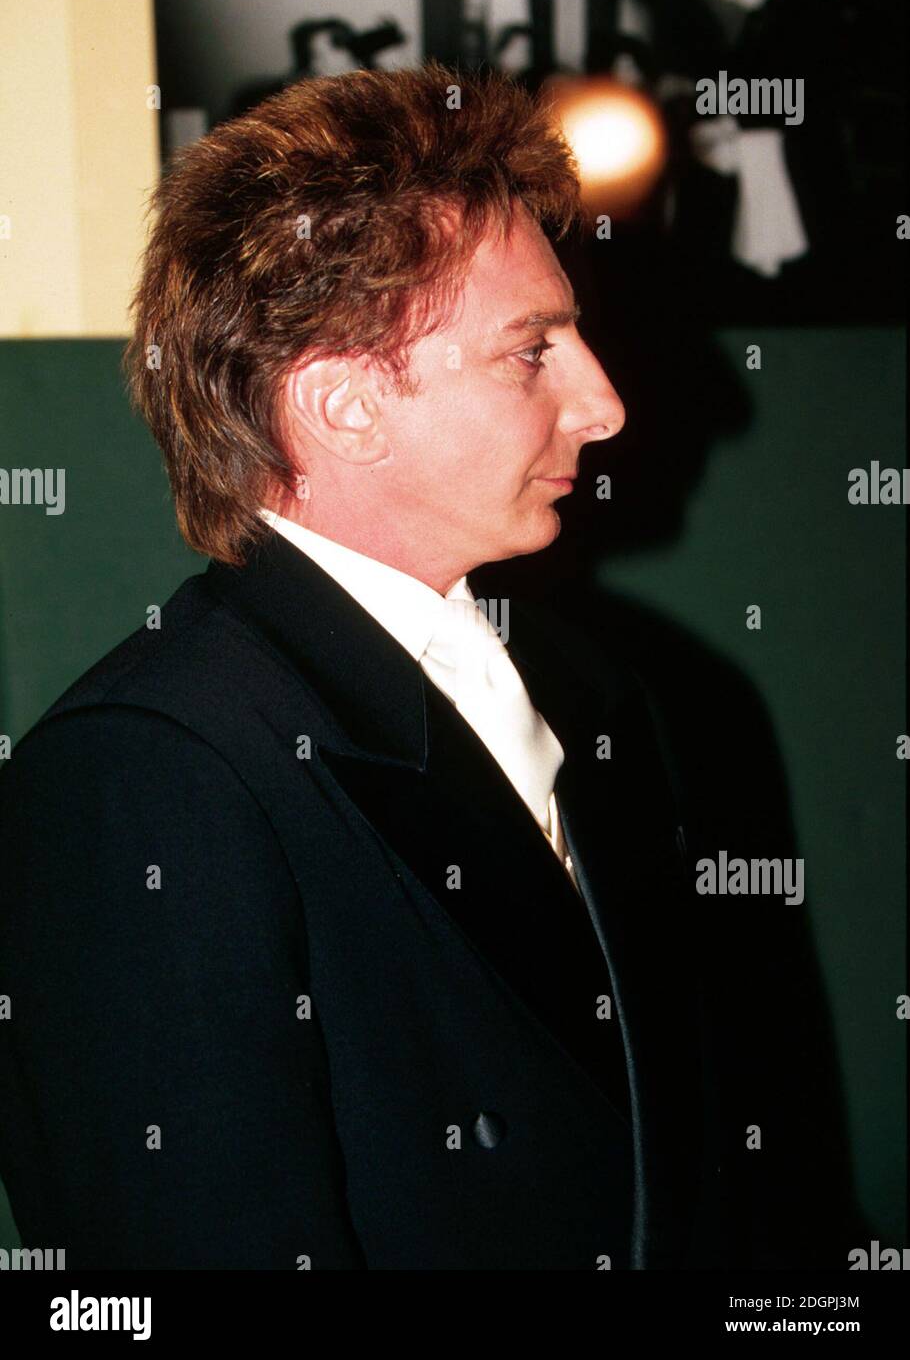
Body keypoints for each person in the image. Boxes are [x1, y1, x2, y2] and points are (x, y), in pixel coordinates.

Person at [0, 64, 855, 1270]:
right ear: (344, 407)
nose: (603, 403)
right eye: (531, 352)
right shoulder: (142, 774)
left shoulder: (592, 690)